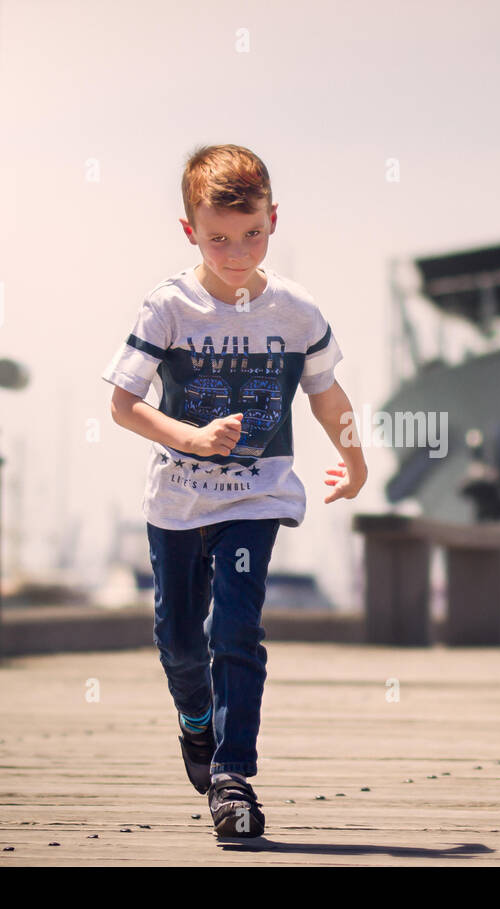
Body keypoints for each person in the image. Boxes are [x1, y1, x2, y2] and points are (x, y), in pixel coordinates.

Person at [102, 144, 367, 837]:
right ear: (190, 230)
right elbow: (125, 404)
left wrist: (354, 456)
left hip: (258, 497)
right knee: (181, 643)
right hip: (179, 505)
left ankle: (233, 778)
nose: (236, 251)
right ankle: (195, 721)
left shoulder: (295, 310)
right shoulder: (170, 307)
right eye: (218, 238)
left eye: (252, 234)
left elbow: (326, 391)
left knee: (237, 630)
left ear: (273, 220)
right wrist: (188, 437)